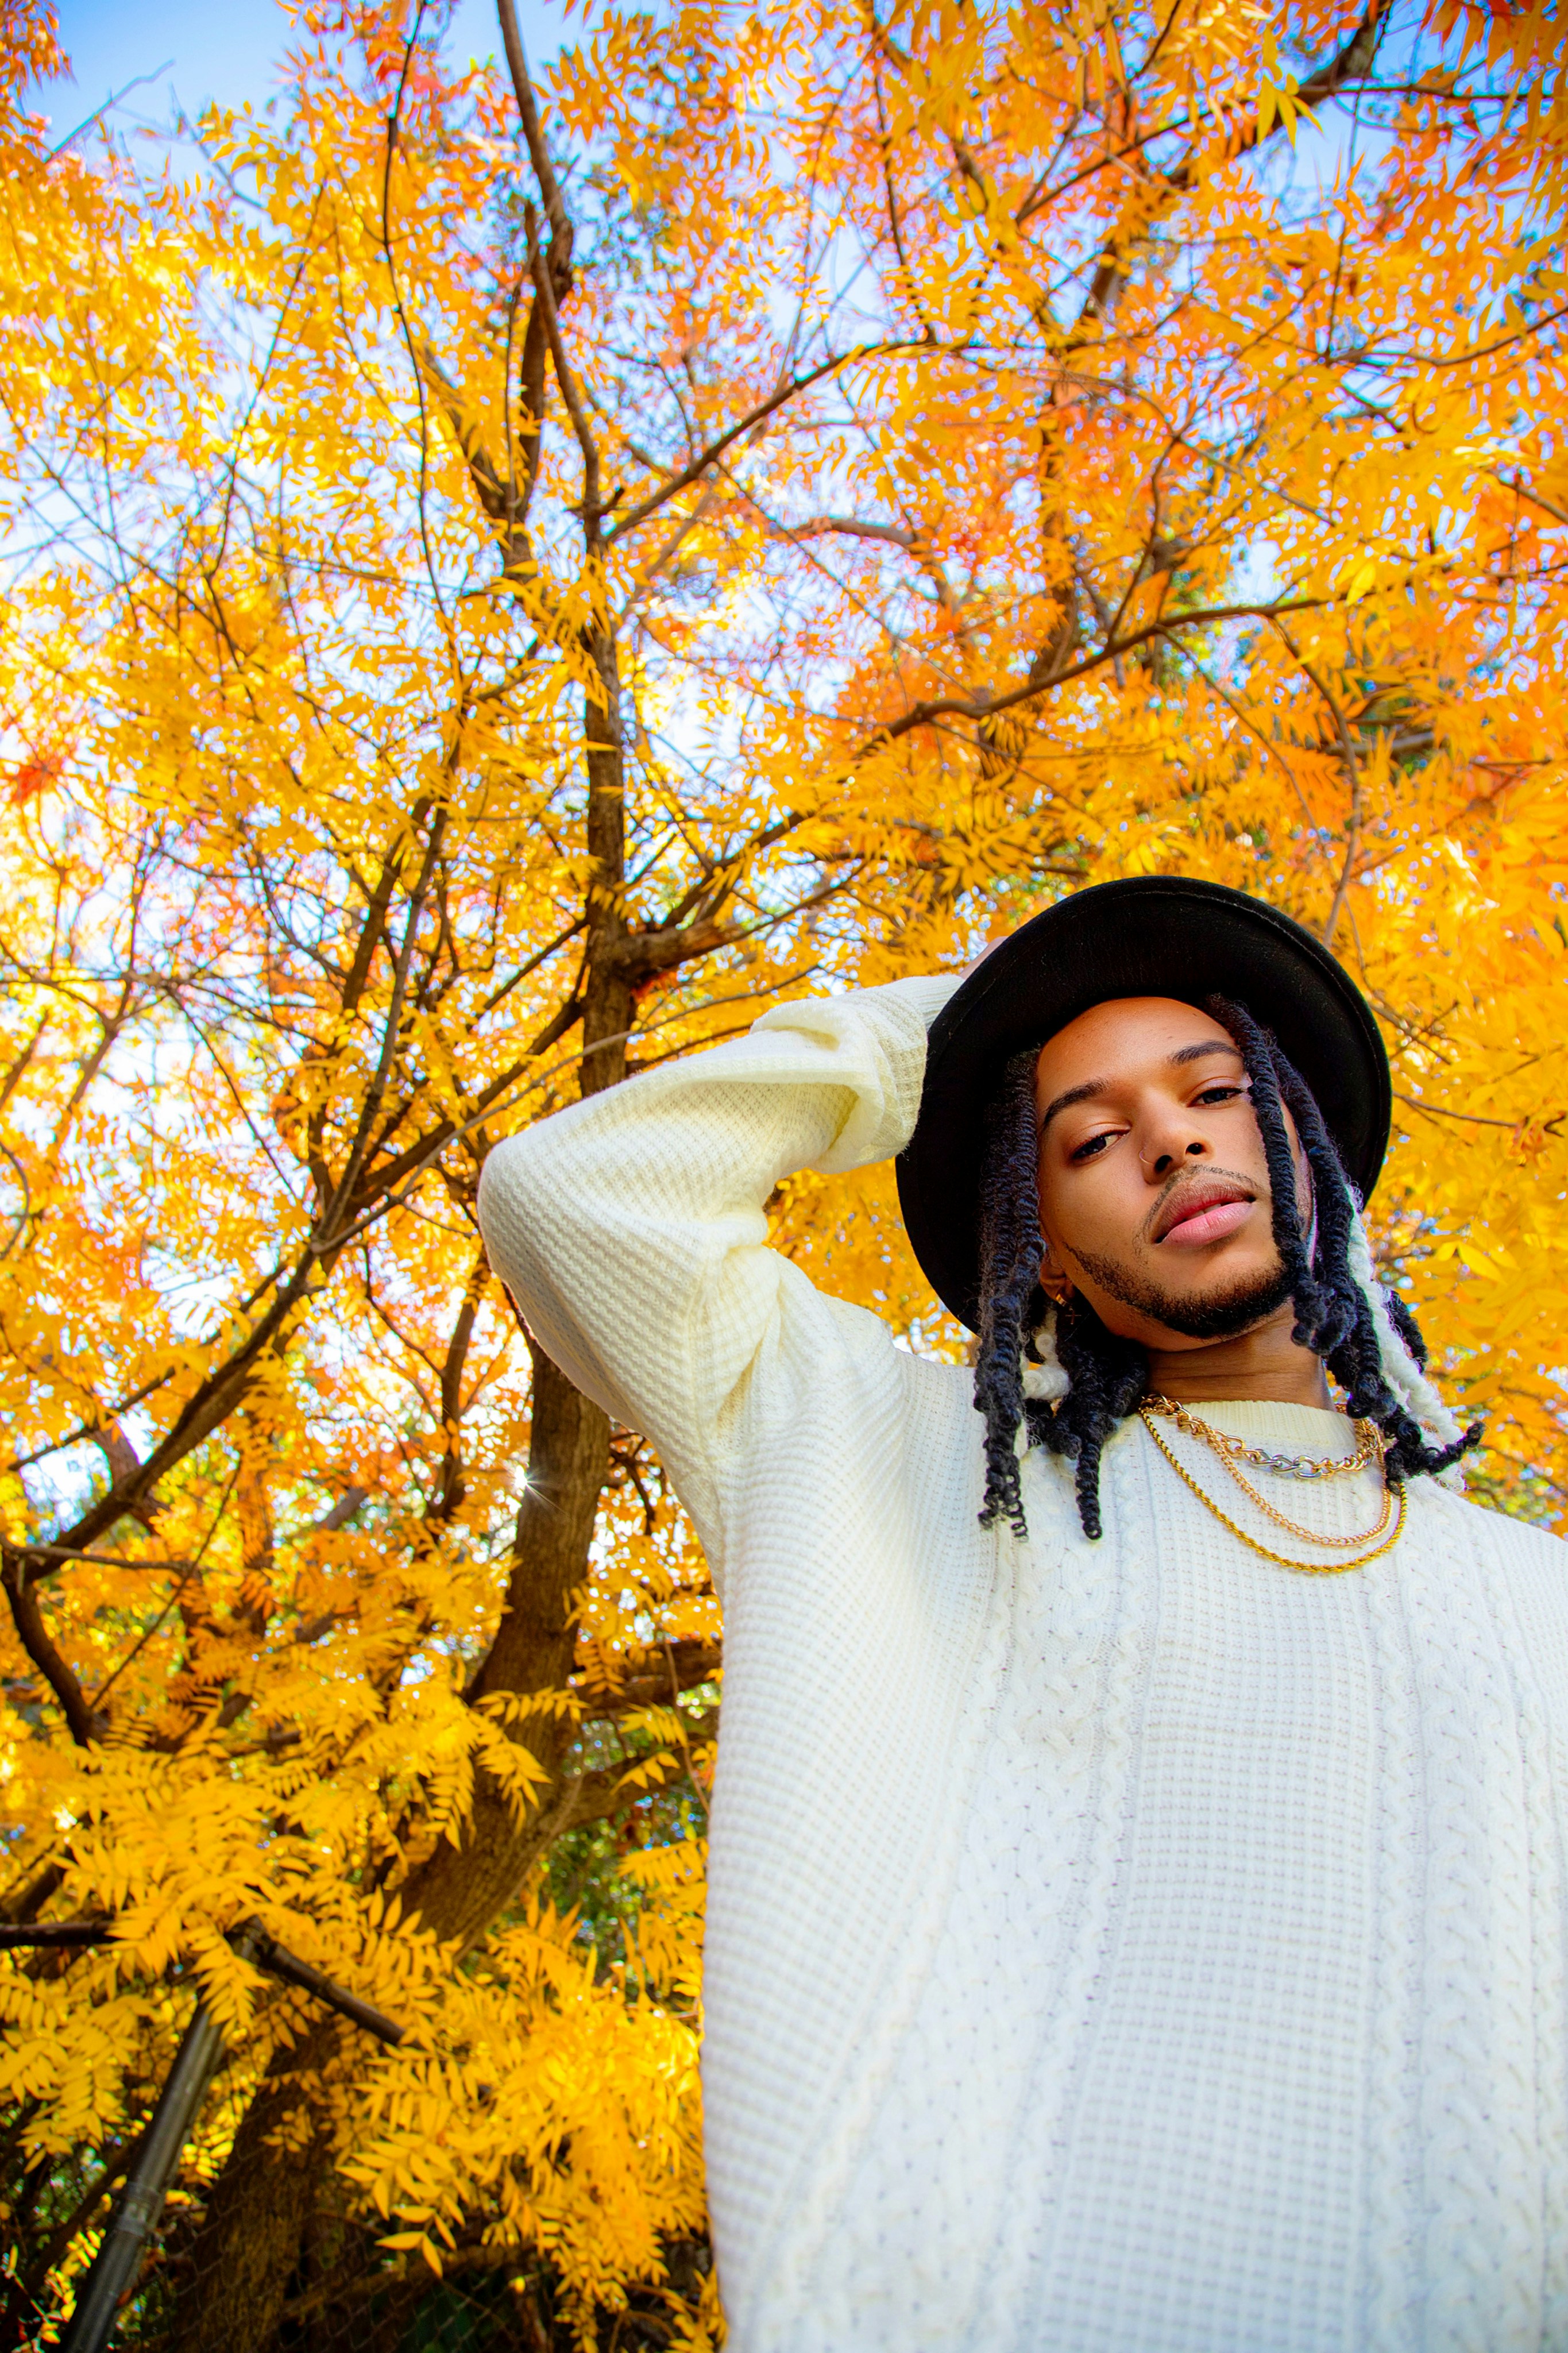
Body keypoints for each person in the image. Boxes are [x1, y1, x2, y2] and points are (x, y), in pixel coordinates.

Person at [477, 876, 1568, 2353]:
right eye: (1092, 1137)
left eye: (1219, 1092)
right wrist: (964, 1019)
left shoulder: (1530, 1596)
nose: (1172, 1137)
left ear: (1304, 1140)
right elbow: (572, 1193)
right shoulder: (907, 1479)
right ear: (1037, 1247)